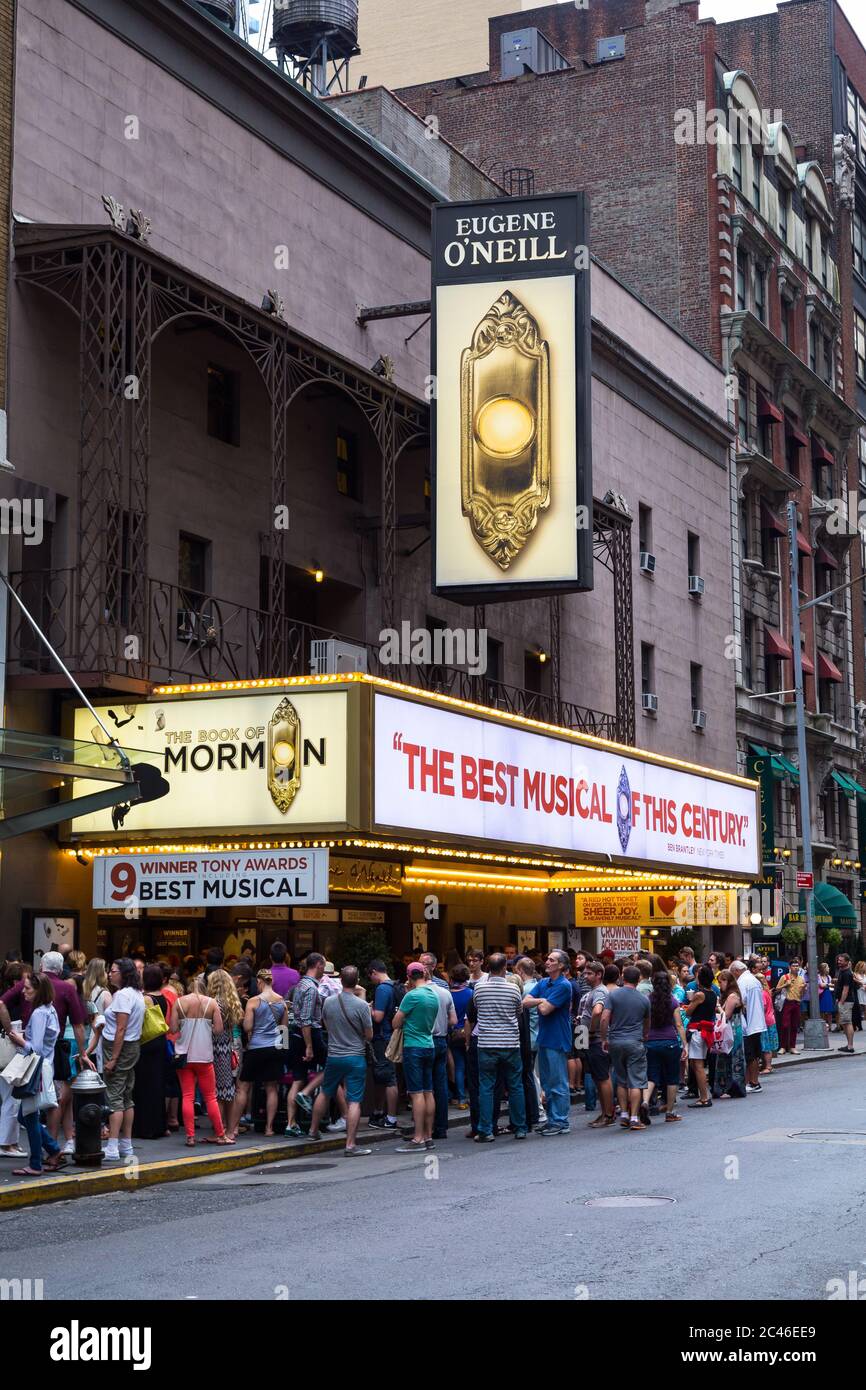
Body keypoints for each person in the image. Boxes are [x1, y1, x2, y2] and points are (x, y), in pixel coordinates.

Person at [307, 966, 373, 1156]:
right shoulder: (361, 1006)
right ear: (357, 980)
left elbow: (325, 1024)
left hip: (334, 1055)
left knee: (325, 1092)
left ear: (340, 980)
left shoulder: (328, 1002)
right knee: (354, 1101)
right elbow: (369, 1035)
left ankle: (313, 1131)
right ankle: (350, 1144)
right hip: (355, 1056)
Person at [7, 972, 64, 1176]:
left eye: (28, 988)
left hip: (36, 1068)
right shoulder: (50, 1010)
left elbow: (36, 1048)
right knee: (27, 1116)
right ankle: (53, 1149)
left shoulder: (39, 1013)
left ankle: (36, 1163)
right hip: (45, 1066)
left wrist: (19, 1040)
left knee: (28, 1116)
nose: (23, 991)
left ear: (39, 990)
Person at [89, 959, 145, 1162]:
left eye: (113, 971)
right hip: (132, 1046)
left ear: (123, 973)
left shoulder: (122, 995)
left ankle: (113, 1145)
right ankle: (125, 1143)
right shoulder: (137, 994)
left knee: (114, 1096)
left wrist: (113, 1058)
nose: (109, 974)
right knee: (126, 1095)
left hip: (119, 1047)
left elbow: (121, 1028)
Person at [472, 953, 528, 1142]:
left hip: (486, 1043)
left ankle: (486, 1129)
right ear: (505, 968)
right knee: (515, 1086)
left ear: (488, 967)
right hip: (510, 1043)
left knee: (486, 1087)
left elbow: (477, 1007)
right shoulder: (513, 989)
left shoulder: (479, 988)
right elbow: (518, 1011)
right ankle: (520, 1127)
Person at [227, 969, 286, 1140]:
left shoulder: (253, 1001)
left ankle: (235, 1128)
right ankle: (269, 1128)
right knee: (271, 1088)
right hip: (274, 1048)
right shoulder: (281, 1002)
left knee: (243, 1087)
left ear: (259, 982)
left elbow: (247, 1027)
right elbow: (284, 1029)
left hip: (256, 1048)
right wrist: (283, 1049)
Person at [522, 949, 573, 1135]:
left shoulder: (563, 985)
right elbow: (524, 1001)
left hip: (557, 1038)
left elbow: (545, 1009)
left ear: (560, 965)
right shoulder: (544, 982)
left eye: (552, 960)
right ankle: (553, 1119)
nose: (547, 962)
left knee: (558, 1082)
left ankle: (560, 1121)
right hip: (544, 1037)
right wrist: (541, 999)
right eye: (548, 958)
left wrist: (540, 1000)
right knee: (547, 1082)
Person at [391, 963, 439, 1153]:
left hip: (413, 1046)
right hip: (429, 1045)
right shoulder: (433, 995)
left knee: (416, 1093)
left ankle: (418, 1137)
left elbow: (396, 1023)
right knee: (428, 1091)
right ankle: (428, 1135)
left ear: (409, 976)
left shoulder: (411, 996)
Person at [601, 964, 651, 1129]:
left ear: (623, 977)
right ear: (638, 980)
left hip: (615, 1041)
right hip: (635, 1042)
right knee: (635, 1081)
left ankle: (623, 1114)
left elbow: (604, 1018)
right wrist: (644, 1036)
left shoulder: (613, 995)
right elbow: (647, 1023)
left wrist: (604, 1038)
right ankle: (634, 1117)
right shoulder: (644, 999)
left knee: (621, 1080)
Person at [285, 954, 328, 1136]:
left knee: (297, 1078)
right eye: (323, 966)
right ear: (318, 965)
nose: (324, 971)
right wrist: (309, 1045)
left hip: (295, 1036)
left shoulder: (298, 986)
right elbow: (306, 1019)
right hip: (310, 1035)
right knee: (332, 1066)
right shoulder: (311, 988)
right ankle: (307, 1092)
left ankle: (291, 1124)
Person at [132, 964, 169, 1141]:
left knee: (144, 1085)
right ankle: (159, 1125)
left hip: (146, 1042)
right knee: (157, 1083)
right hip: (159, 1042)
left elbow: (139, 1021)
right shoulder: (162, 996)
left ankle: (146, 1127)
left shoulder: (145, 998)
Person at [644, 968, 686, 1123]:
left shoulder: (647, 1000)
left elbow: (645, 1022)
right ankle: (670, 1111)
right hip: (670, 1042)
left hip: (651, 1042)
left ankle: (645, 1102)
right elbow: (679, 1025)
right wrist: (685, 1044)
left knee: (652, 1075)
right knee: (672, 1077)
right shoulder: (672, 1001)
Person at [206, 969, 244, 1133]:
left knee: (219, 1093)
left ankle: (220, 1131)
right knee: (229, 1091)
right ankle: (230, 1129)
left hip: (217, 1050)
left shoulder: (215, 1004)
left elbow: (214, 1030)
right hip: (228, 1049)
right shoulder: (232, 1003)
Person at [579, 960, 614, 1128]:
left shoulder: (600, 991)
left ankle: (608, 1114)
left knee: (603, 1077)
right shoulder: (594, 991)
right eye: (585, 973)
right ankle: (604, 1113)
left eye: (589, 973)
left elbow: (598, 1011)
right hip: (588, 1038)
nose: (585, 976)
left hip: (596, 1039)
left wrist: (592, 1031)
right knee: (597, 1077)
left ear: (599, 975)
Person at [368, 960, 400, 1131]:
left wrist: (368, 1008)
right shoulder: (394, 986)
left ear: (374, 972)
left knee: (388, 1077)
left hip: (383, 1036)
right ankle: (380, 1112)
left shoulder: (382, 989)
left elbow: (378, 1017)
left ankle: (391, 1118)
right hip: (392, 1035)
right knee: (384, 1075)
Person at [683, 965, 717, 1108]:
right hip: (705, 1030)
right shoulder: (713, 994)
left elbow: (689, 1012)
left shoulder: (699, 995)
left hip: (697, 1030)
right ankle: (703, 1095)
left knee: (698, 1065)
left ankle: (704, 1097)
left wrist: (690, 1004)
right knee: (698, 1064)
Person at [731, 959, 765, 1092]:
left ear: (736, 971)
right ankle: (752, 1081)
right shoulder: (753, 980)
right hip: (756, 1022)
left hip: (750, 1024)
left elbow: (740, 1001)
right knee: (754, 1054)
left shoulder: (742, 981)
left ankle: (753, 1082)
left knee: (750, 1055)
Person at [713, 970, 746, 1099]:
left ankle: (732, 1087)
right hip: (730, 1028)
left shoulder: (732, 996)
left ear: (728, 981)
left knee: (732, 1057)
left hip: (731, 1029)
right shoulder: (730, 995)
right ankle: (727, 1087)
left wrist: (718, 1007)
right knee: (727, 1057)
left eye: (722, 981)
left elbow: (726, 1015)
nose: (720, 984)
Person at [447, 964, 473, 1109]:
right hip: (468, 1032)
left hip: (453, 1034)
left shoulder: (447, 994)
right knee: (470, 1066)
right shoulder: (470, 993)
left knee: (459, 1066)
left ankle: (461, 1097)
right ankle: (471, 1096)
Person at [774, 960, 805, 1054]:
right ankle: (783, 1046)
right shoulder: (784, 977)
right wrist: (785, 984)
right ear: (789, 967)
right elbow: (777, 989)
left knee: (795, 1026)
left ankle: (792, 1046)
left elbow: (802, 994)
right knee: (785, 1025)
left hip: (797, 1003)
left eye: (797, 966)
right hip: (787, 1002)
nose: (796, 967)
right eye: (793, 966)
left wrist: (804, 989)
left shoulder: (801, 979)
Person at [834, 953, 856, 1053]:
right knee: (845, 1023)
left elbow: (845, 989)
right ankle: (848, 1045)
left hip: (846, 1001)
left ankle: (850, 1046)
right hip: (843, 1000)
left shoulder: (847, 973)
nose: (839, 962)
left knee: (847, 1023)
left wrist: (841, 1002)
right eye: (838, 960)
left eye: (841, 960)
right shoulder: (842, 971)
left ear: (847, 962)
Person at [759, 971, 779, 1075]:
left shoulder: (762, 994)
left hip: (765, 1021)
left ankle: (768, 1066)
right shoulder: (767, 992)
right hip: (771, 1019)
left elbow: (763, 1007)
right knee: (769, 1044)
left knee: (766, 1045)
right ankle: (766, 1065)